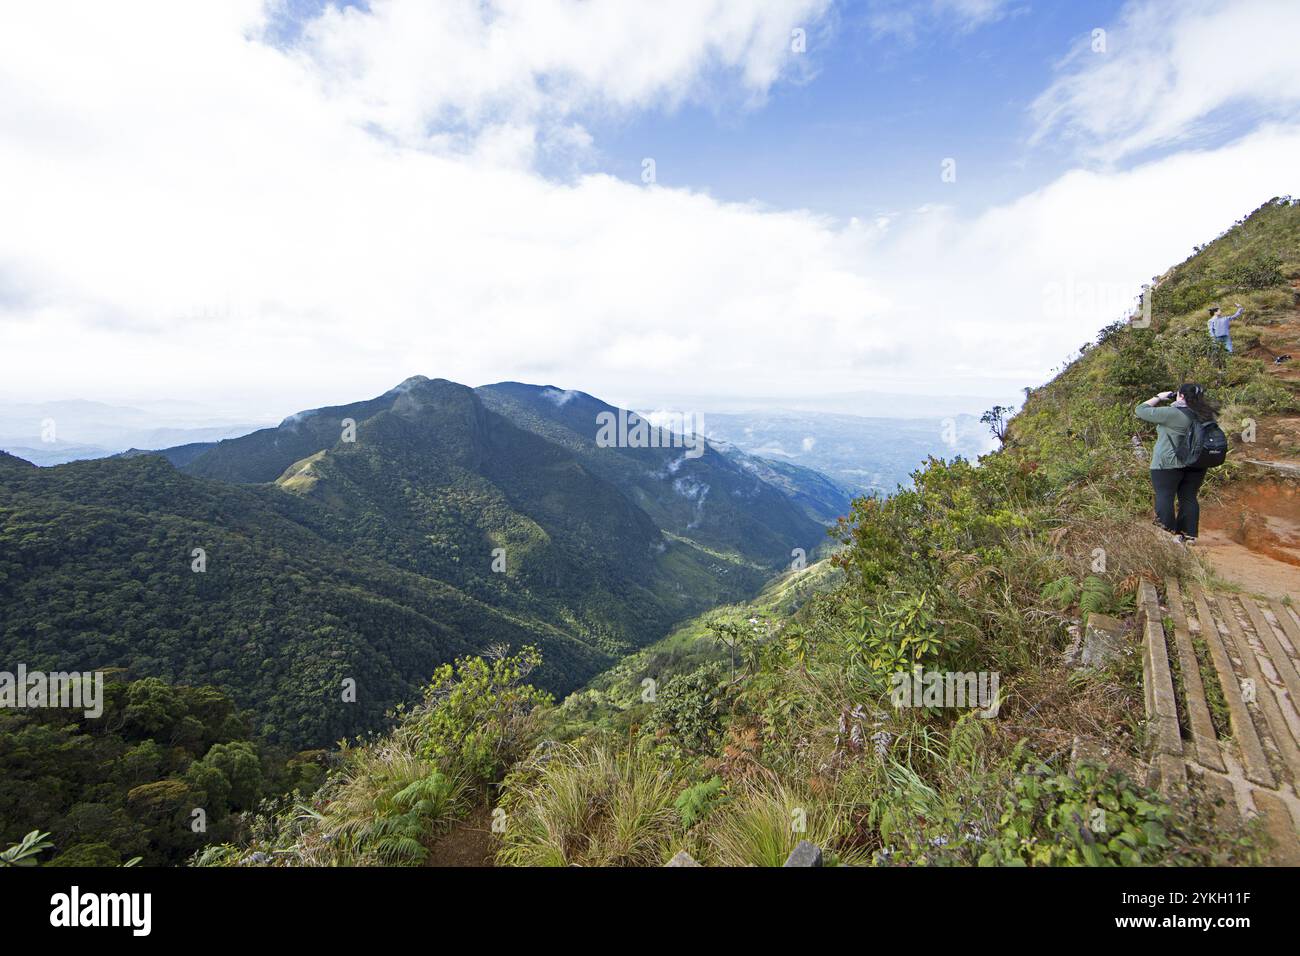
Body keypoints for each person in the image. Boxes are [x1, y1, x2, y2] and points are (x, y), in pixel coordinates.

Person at [1135, 383, 1219, 542]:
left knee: (1165, 496)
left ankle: (1167, 533)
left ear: (1181, 395)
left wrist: (1159, 397)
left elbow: (1140, 410)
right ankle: (1189, 535)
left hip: (1167, 463)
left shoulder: (1171, 413)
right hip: (1196, 463)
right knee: (1188, 497)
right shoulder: (1206, 414)